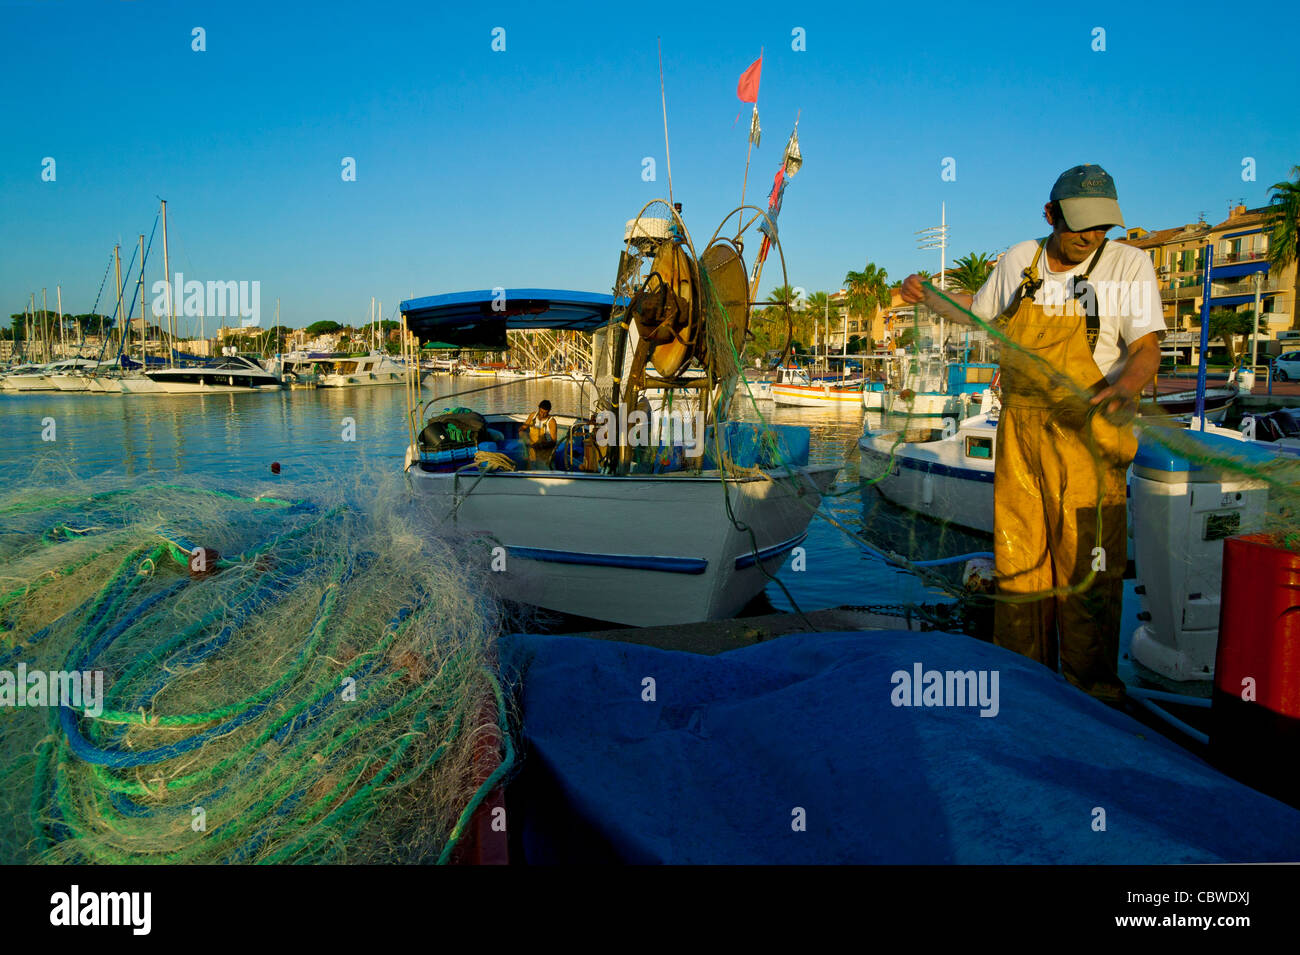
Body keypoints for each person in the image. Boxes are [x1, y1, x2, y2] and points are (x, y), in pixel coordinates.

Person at [900, 164, 1165, 705]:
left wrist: (1127, 389)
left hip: (1089, 437)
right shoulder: (1019, 261)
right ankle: (1025, 694)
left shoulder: (1128, 265)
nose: (1091, 237)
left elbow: (1146, 350)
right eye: (1079, 226)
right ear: (1050, 215)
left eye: (1100, 227)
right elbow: (978, 320)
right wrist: (928, 296)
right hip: (1020, 432)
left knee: (1086, 575)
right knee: (1020, 568)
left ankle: (1091, 698)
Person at [522, 399, 558, 466]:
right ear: (538, 408)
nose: (543, 414)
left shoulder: (551, 422)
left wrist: (540, 446)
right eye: (541, 411)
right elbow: (523, 428)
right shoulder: (533, 416)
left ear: (549, 411)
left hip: (546, 453)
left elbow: (554, 442)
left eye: (545, 413)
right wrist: (523, 436)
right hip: (533, 450)